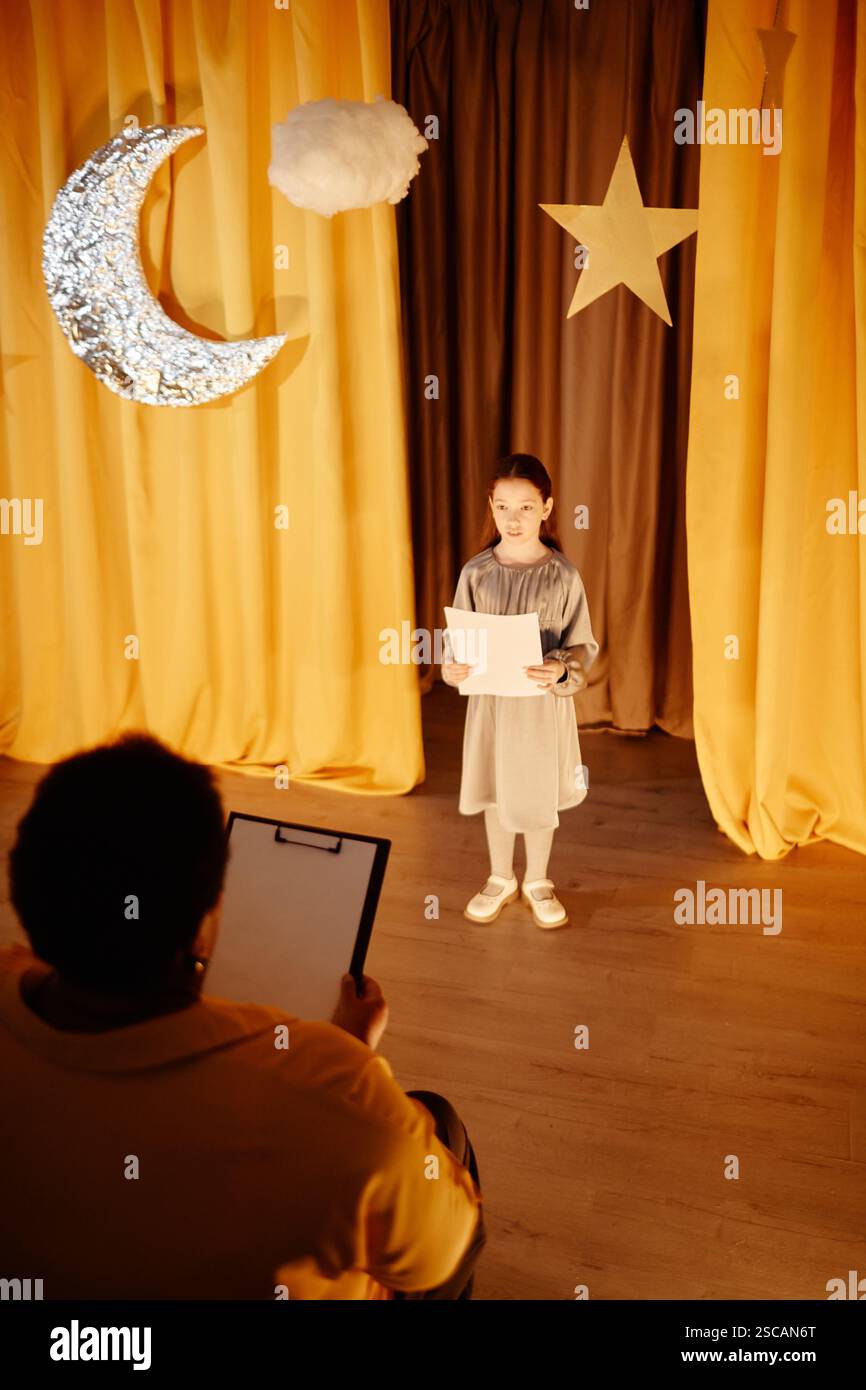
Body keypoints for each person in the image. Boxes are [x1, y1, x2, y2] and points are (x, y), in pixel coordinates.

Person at [0, 734, 484, 1300]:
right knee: (438, 1123)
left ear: (24, 894)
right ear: (206, 922)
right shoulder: (342, 1095)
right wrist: (350, 1056)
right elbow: (442, 1251)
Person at [442, 453, 599, 928]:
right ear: (490, 507)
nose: (514, 519)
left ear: (547, 508)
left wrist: (561, 670)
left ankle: (536, 878)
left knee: (535, 791)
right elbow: (458, 638)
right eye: (503, 506)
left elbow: (582, 646)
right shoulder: (475, 574)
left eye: (526, 507)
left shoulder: (564, 576)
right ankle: (499, 876)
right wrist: (453, 667)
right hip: (492, 707)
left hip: (539, 710)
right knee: (495, 787)